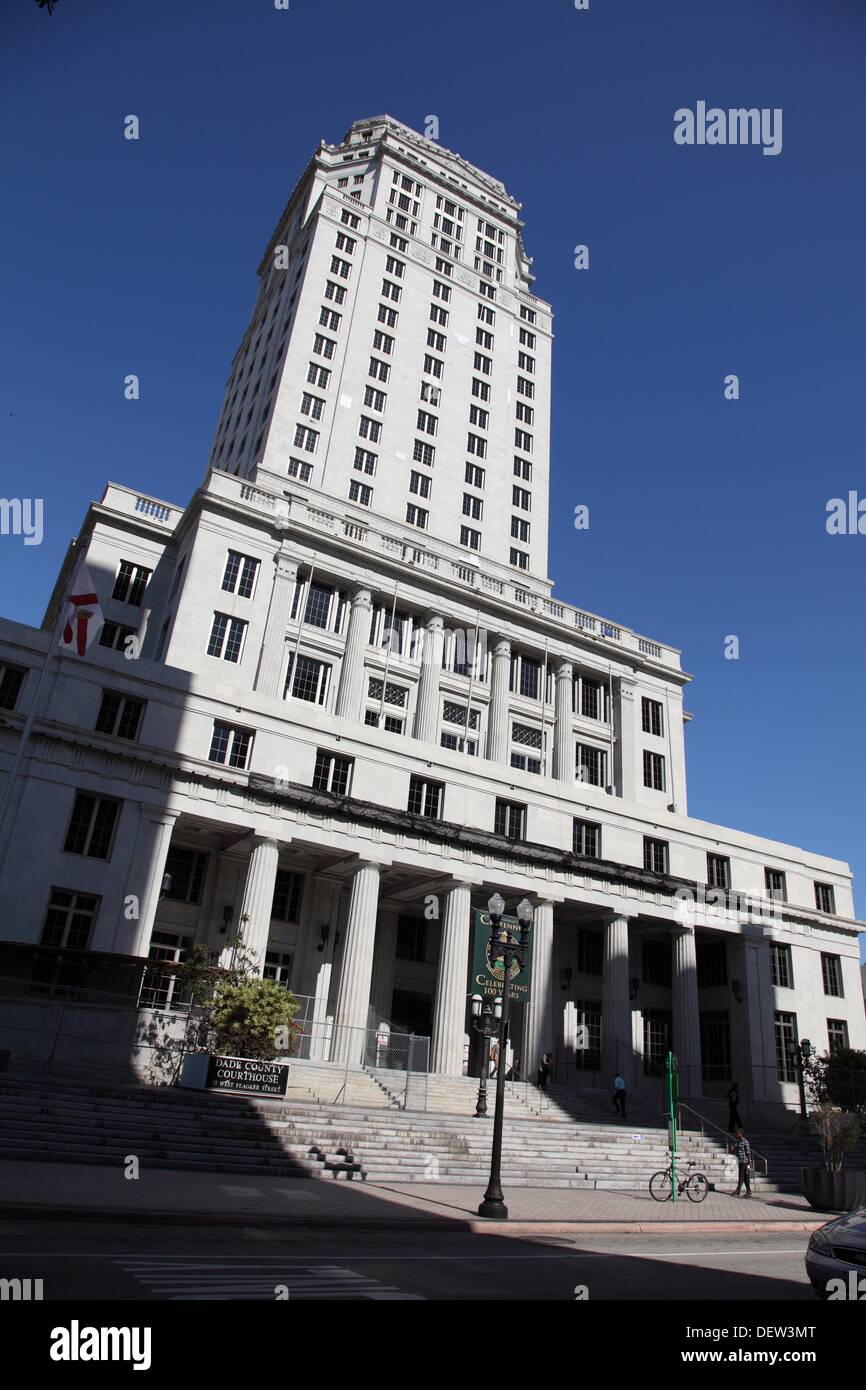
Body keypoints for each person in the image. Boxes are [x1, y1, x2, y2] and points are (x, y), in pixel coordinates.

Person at [732, 1128, 752, 1198]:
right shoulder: (737, 1142)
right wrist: (732, 1149)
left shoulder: (745, 1142)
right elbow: (734, 1151)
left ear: (741, 1134)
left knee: (741, 1176)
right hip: (740, 1161)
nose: (736, 1135)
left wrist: (749, 1162)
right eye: (736, 1133)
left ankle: (738, 1190)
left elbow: (748, 1152)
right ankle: (748, 1191)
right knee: (745, 1177)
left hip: (744, 1161)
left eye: (738, 1133)